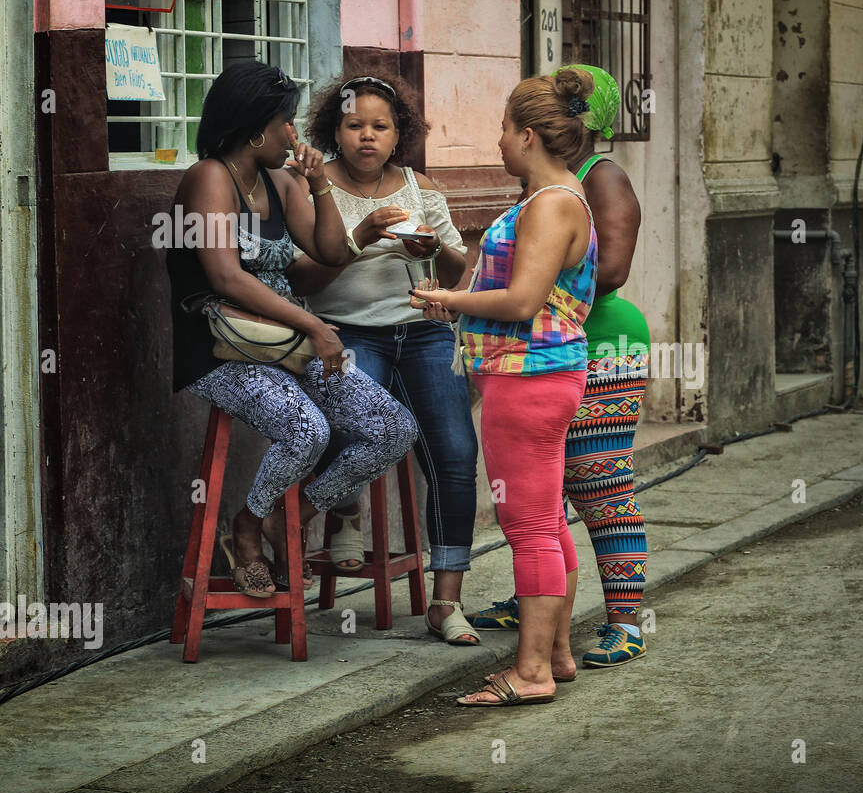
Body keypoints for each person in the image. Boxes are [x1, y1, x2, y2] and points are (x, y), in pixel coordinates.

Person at [167, 61, 417, 598]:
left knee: (392, 427)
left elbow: (327, 251)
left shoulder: (282, 181)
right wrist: (316, 325)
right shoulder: (208, 178)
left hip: (291, 344)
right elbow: (225, 274)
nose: (293, 135)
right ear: (255, 126)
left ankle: (288, 514)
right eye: (286, 123)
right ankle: (246, 526)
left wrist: (320, 183)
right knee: (308, 429)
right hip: (224, 349)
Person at [409, 68, 598, 705]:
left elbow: (520, 301)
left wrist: (449, 298)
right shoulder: (554, 198)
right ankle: (558, 657)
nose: (496, 141)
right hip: (538, 376)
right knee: (547, 522)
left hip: (531, 377)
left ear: (526, 136)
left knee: (530, 529)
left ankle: (532, 673)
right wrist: (452, 287)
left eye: (500, 129)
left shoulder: (552, 205)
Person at [466, 64, 650, 668]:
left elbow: (611, 270)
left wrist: (536, 292)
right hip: (552, 350)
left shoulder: (599, 178)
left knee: (599, 486)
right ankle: (543, 615)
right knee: (548, 498)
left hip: (596, 345)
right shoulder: (548, 182)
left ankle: (624, 623)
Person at [289, 74, 481, 645]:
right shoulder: (314, 186)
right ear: (335, 131)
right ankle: (345, 516)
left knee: (454, 454)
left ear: (399, 135)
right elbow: (303, 278)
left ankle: (446, 602)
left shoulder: (419, 189)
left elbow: (457, 275)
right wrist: (361, 237)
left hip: (422, 332)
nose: (367, 137)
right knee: (353, 427)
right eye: (354, 125)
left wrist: (434, 249)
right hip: (346, 332)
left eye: (381, 126)